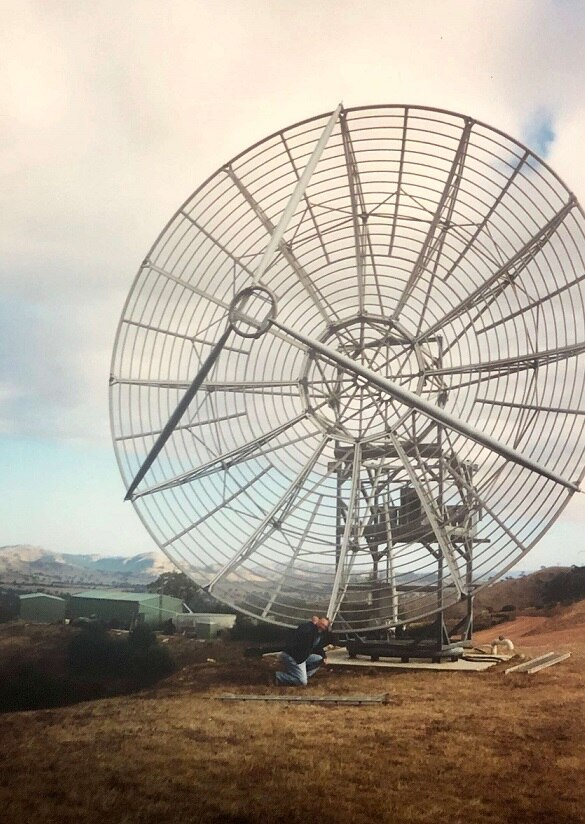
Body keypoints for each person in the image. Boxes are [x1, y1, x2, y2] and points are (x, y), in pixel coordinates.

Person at [275, 615, 331, 686]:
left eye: (324, 626)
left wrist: (324, 657)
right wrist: (312, 623)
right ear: (317, 621)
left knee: (320, 659)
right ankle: (277, 676)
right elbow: (304, 632)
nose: (322, 627)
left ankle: (300, 675)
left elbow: (318, 646)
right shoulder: (308, 628)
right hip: (294, 656)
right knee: (302, 682)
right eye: (321, 624)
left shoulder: (318, 633)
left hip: (303, 657)